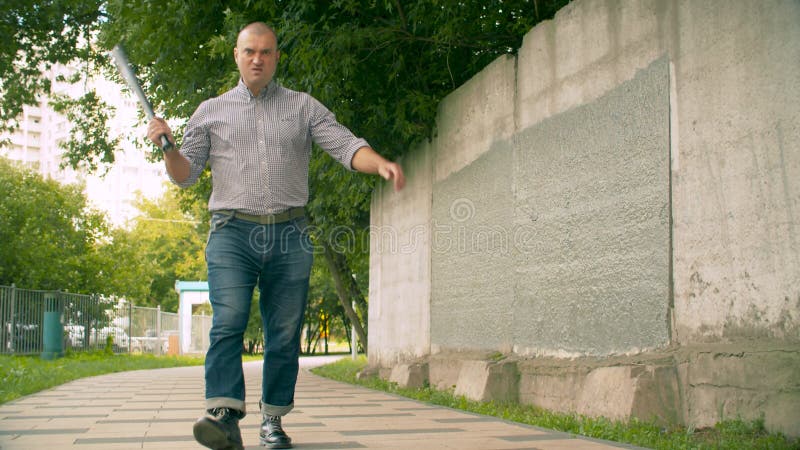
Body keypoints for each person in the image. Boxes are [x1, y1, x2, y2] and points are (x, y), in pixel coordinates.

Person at [147, 21, 404, 450]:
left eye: (266, 52)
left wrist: (379, 164)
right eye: (250, 51)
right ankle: (224, 415)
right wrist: (169, 146)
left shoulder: (303, 107)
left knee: (284, 333)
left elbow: (344, 144)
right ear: (236, 55)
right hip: (231, 231)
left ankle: (272, 422)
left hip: (290, 233)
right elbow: (185, 175)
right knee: (227, 321)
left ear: (276, 57)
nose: (257, 59)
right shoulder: (209, 111)